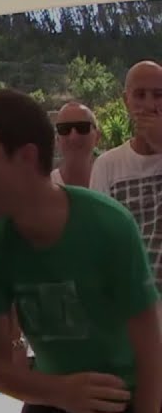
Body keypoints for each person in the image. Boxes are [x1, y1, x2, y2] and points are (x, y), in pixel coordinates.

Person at [0, 89, 162, 413]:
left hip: (134, 407)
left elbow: (153, 360)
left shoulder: (108, 225)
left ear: (27, 157)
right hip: (52, 406)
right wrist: (61, 391)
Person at [90, 61, 162, 290]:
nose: (149, 105)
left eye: (158, 95)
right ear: (126, 101)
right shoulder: (107, 165)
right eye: (140, 95)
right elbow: (99, 238)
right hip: (132, 297)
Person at [51, 102, 100, 187]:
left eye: (82, 127)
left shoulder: (111, 181)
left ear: (97, 136)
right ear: (57, 139)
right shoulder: (46, 188)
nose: (73, 137)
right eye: (64, 129)